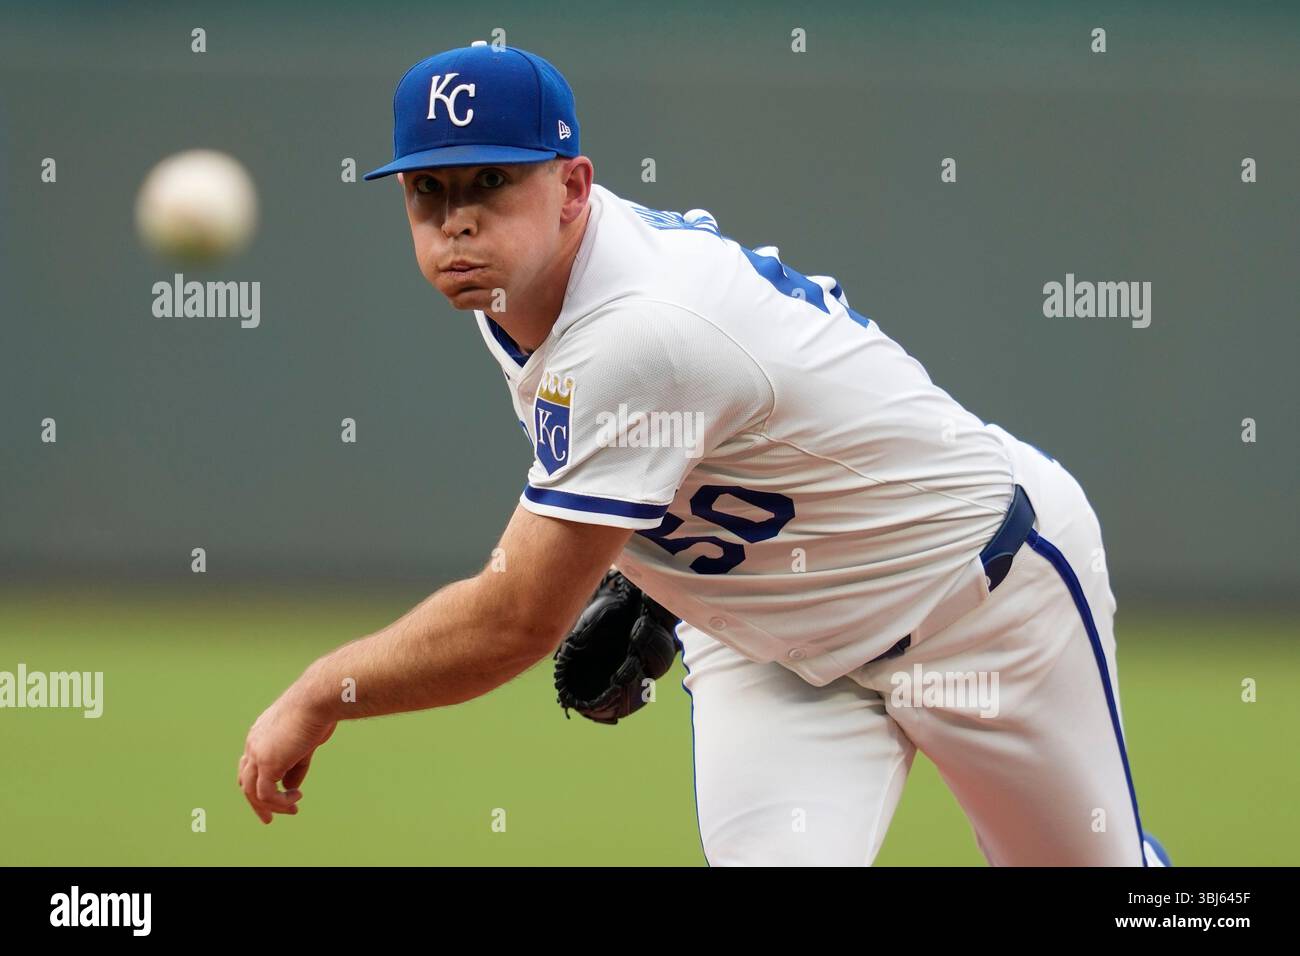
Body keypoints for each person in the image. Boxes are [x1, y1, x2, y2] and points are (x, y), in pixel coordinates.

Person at [237, 43, 1170, 867]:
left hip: (982, 603)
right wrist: (647, 573)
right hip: (770, 648)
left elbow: (517, 620)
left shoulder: (639, 328)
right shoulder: (517, 287)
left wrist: (323, 692)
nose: (457, 221)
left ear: (572, 187)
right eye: (428, 190)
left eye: (491, 181)